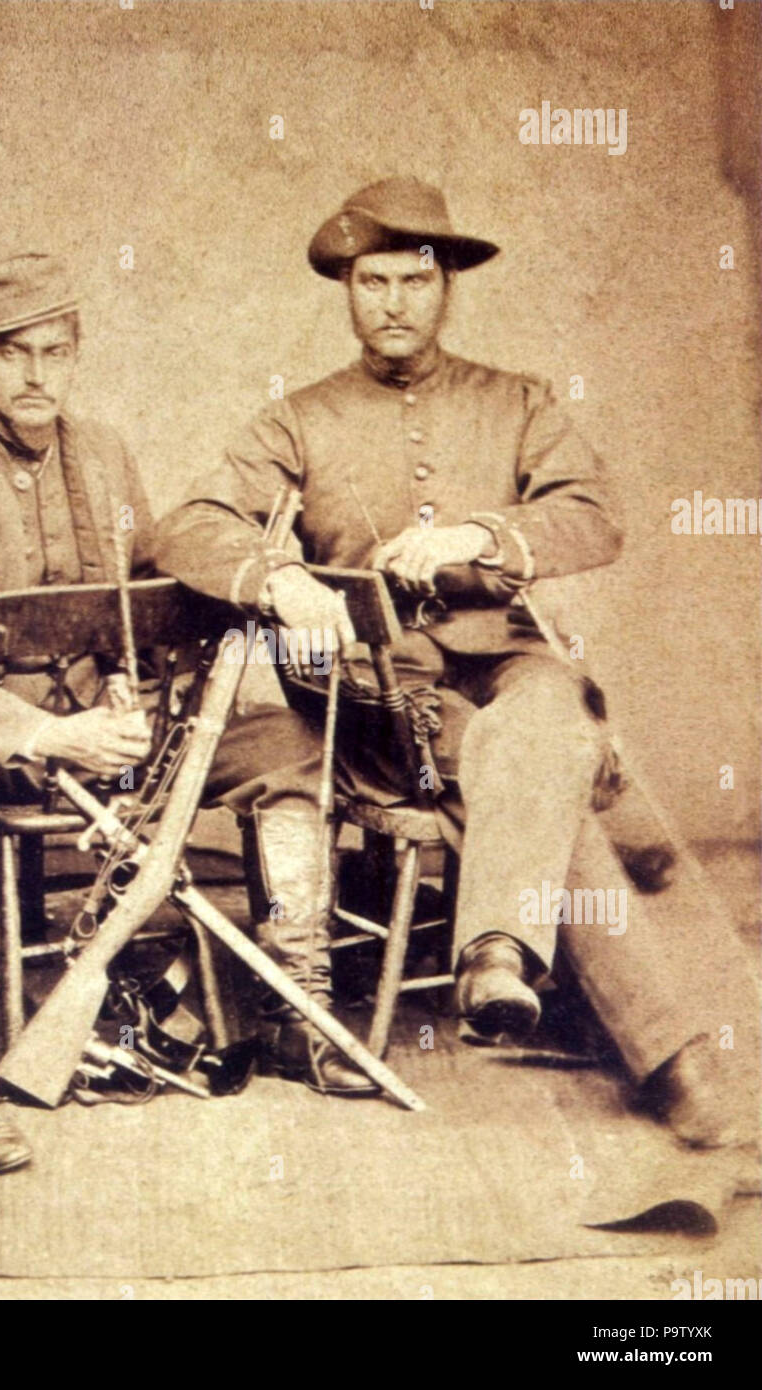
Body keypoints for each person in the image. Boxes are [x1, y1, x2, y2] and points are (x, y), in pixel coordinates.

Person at [154, 178, 760, 1152]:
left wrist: (484, 532)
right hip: (386, 695)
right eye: (372, 281)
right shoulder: (298, 420)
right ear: (346, 293)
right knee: (535, 767)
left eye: (414, 280)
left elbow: (592, 516)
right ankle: (664, 1054)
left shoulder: (516, 402)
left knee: (547, 719)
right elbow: (187, 526)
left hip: (512, 664)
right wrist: (279, 582)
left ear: (447, 291)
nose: (394, 301)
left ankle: (492, 949)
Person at [0, 253, 373, 1176]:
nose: (38, 375)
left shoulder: (105, 456)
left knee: (285, 746)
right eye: (13, 355)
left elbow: (142, 598)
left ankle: (299, 1008)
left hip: (112, 732)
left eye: (57, 351)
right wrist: (47, 733)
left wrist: (136, 679)